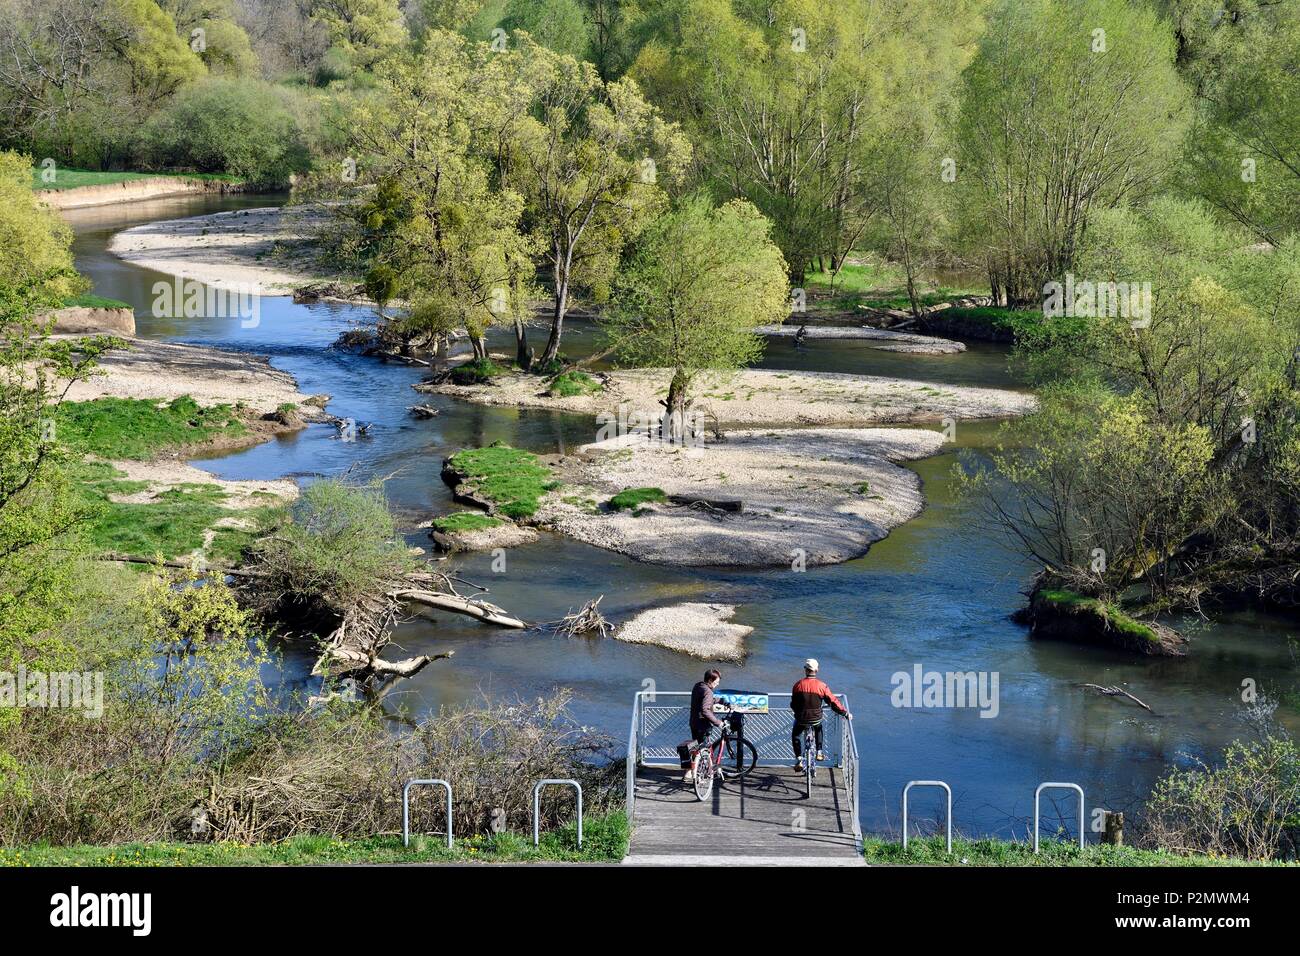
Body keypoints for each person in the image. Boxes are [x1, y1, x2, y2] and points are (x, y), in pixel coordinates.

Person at [790, 658, 851, 771]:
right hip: (816, 718)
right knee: (818, 728)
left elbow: (793, 704)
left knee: (795, 735)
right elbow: (833, 702)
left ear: (805, 670)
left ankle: (799, 759)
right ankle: (819, 751)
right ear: (816, 670)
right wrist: (845, 713)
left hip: (801, 719)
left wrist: (797, 711)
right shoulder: (822, 686)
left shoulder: (797, 685)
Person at [676, 669, 723, 783]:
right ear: (711, 680)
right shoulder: (708, 692)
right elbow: (705, 710)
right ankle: (700, 774)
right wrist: (718, 722)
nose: (718, 683)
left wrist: (720, 700)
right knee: (703, 749)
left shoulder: (698, 686)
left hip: (694, 722)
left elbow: (705, 699)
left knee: (695, 747)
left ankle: (688, 772)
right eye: (717, 681)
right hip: (703, 725)